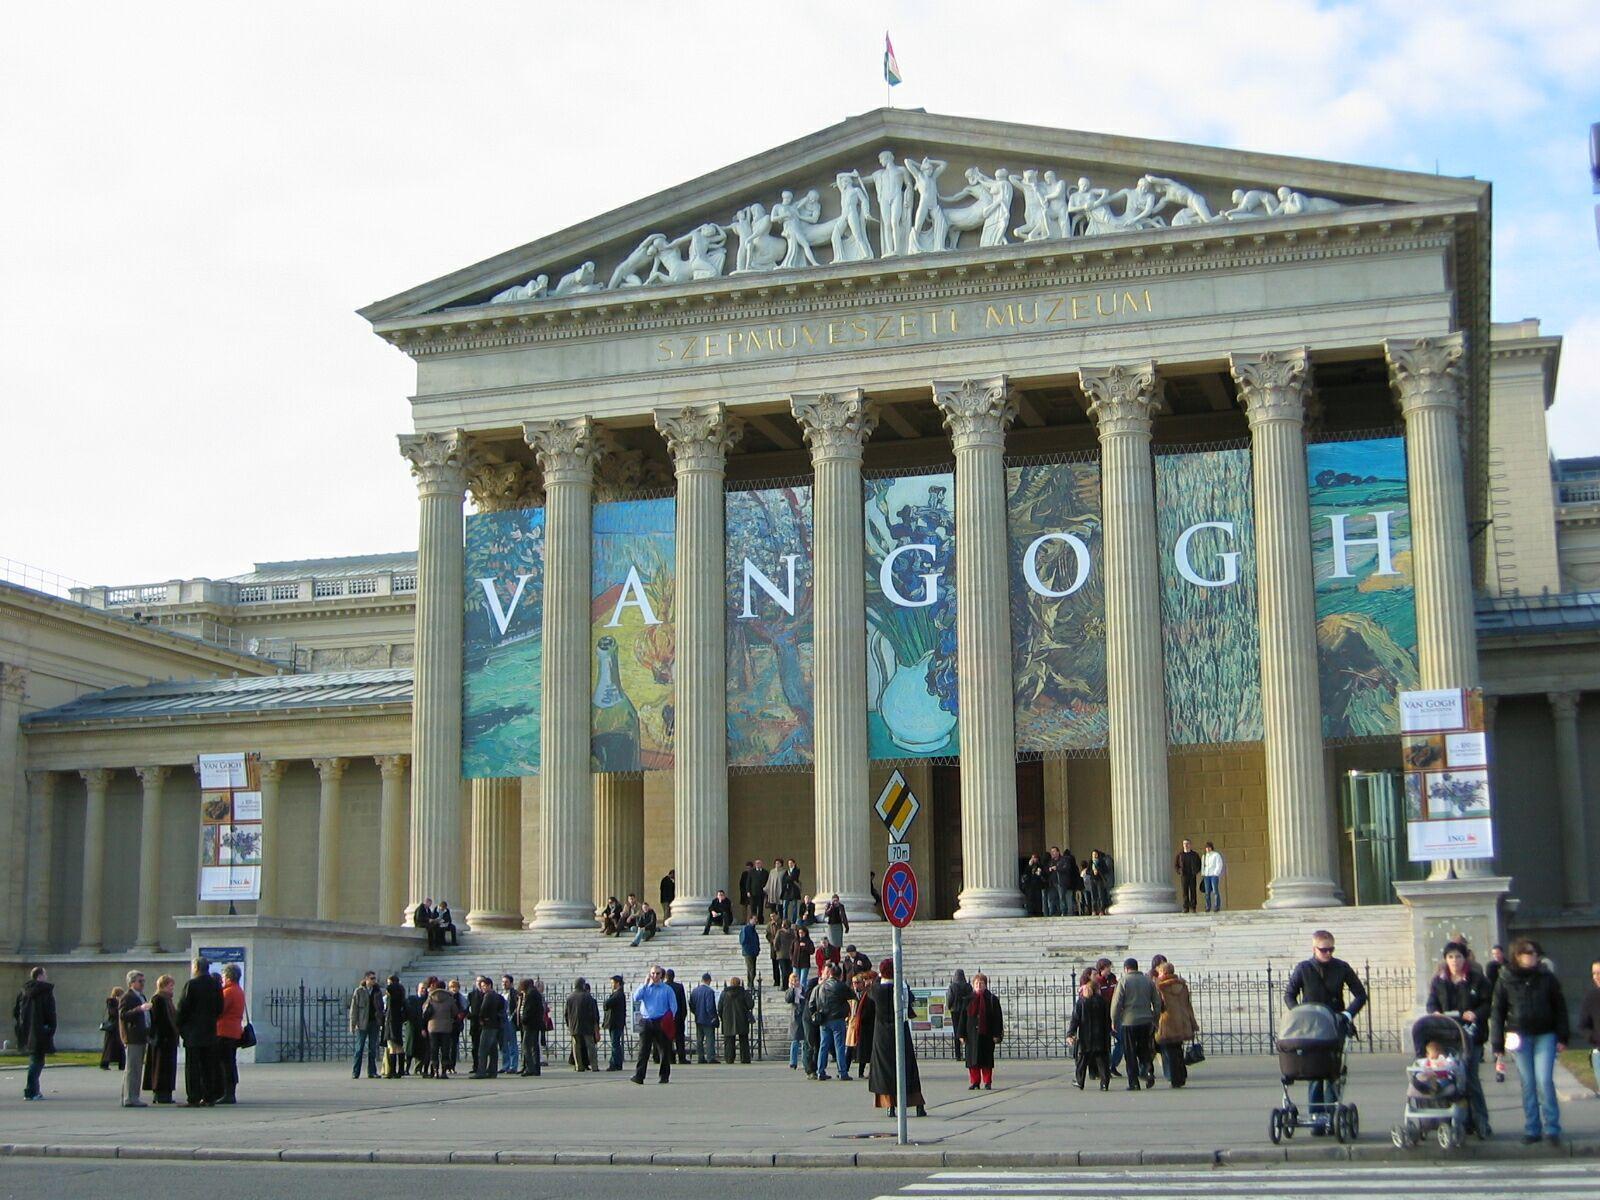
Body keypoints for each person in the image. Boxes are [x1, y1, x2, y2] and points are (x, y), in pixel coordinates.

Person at [1491, 938, 1570, 1146]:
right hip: (1519, 1035)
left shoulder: (1546, 977)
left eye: (1535, 953)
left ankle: (1552, 1127)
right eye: (1528, 953)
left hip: (1545, 1033)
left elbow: (1559, 1007)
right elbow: (1497, 1011)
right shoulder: (1505, 978)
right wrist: (1497, 1043)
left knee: (1544, 1080)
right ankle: (1532, 1128)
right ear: (1517, 956)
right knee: (1528, 1082)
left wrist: (1563, 1036)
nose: (1533, 956)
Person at [1284, 930, 1368, 1122]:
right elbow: (1289, 995)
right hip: (1311, 1026)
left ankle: (1332, 1116)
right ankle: (1316, 1116)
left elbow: (1361, 995)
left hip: (1335, 1022)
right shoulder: (1303, 968)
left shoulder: (1341, 967)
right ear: (1314, 949)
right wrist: (1300, 1013)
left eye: (1331, 949)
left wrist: (1347, 1015)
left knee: (1333, 1071)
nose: (1328, 953)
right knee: (1314, 1071)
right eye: (1324, 950)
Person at [1427, 940, 1493, 1137]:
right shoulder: (1439, 980)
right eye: (1450, 957)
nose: (1454, 961)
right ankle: (1452, 1119)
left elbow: (1488, 1004)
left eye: (1458, 956)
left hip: (1471, 1035)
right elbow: (1432, 1002)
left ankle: (1480, 1120)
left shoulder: (1477, 980)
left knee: (1470, 1079)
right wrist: (1435, 1012)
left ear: (1465, 959)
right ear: (1445, 959)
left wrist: (1475, 1013)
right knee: (1448, 1077)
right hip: (1447, 1035)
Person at [868, 959, 926, 1117]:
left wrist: (879, 976)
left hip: (882, 1035)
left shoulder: (877, 990)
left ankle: (890, 1105)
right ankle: (918, 1104)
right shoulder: (902, 988)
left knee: (885, 1070)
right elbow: (911, 999)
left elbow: (871, 990)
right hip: (901, 1030)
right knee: (908, 1069)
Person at [176, 957, 222, 1106]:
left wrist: (180, 1025)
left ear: (196, 967)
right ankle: (209, 1096)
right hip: (210, 1030)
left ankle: (194, 1097)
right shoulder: (215, 985)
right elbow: (220, 1007)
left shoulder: (192, 984)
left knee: (193, 1067)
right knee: (208, 1066)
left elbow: (183, 1007)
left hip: (193, 1032)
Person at [631, 964, 679, 1085]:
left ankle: (664, 1076)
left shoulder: (667, 989)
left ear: (661, 975)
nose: (655, 976)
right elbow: (636, 997)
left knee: (664, 1050)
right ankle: (639, 1076)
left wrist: (669, 1019)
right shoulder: (645, 988)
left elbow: (673, 1006)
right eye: (653, 973)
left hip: (661, 1021)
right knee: (643, 1050)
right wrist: (644, 984)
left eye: (658, 973)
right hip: (647, 1021)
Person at [13, 966, 55, 1101]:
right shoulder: (45, 991)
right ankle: (31, 1091)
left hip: (27, 1029)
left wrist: (22, 1025)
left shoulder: (23, 991)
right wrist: (50, 1027)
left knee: (36, 1059)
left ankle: (34, 1090)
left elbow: (16, 1011)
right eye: (45, 974)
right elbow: (50, 1012)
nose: (46, 977)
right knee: (37, 1061)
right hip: (40, 1029)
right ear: (40, 976)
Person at [1154, 961, 1198, 1088]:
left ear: (1164, 973)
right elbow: (1188, 1005)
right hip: (1182, 1020)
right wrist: (1192, 1022)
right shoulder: (1182, 985)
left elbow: (1159, 1005)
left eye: (1160, 972)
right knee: (1178, 1049)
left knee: (1169, 1051)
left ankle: (1175, 1078)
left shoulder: (1160, 987)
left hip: (1167, 1021)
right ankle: (1182, 1075)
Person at [1068, 968, 1112, 1090]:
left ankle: (1080, 1081)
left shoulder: (1081, 1002)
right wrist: (1108, 1031)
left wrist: (1070, 1033)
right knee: (1102, 1060)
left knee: (1082, 1060)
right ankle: (1104, 1083)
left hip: (1086, 1035)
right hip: (1100, 1035)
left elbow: (1075, 1019)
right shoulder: (1103, 1002)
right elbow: (1107, 1019)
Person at [116, 971, 152, 1107]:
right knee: (133, 1069)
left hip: (141, 1035)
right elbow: (123, 1015)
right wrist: (139, 1009)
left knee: (136, 1068)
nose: (142, 984)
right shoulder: (127, 997)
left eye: (143, 981)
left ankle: (129, 1096)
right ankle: (130, 1098)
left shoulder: (141, 996)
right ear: (131, 983)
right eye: (140, 981)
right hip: (132, 1037)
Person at [811, 964, 851, 1081]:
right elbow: (852, 995)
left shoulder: (820, 987)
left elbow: (811, 1003)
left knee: (823, 1045)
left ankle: (820, 1071)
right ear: (840, 975)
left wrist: (816, 1013)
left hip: (824, 1019)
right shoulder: (840, 986)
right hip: (837, 1018)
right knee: (839, 1046)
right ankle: (842, 1072)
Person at [964, 973, 1004, 1090]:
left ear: (985, 985)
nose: (979, 985)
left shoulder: (992, 999)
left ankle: (987, 1082)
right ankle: (975, 1082)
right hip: (971, 1035)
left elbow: (998, 1018)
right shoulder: (968, 999)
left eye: (981, 983)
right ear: (973, 985)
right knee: (972, 1061)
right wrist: (961, 1034)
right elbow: (963, 1018)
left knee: (986, 1060)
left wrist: (996, 1034)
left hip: (987, 1034)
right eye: (976, 983)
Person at [144, 973, 179, 1104]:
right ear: (163, 986)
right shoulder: (158, 999)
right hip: (161, 1039)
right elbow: (159, 1020)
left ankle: (166, 1093)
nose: (172, 988)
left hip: (168, 1038)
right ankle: (160, 1093)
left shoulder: (167, 999)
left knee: (168, 1067)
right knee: (161, 1067)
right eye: (170, 985)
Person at [215, 963, 245, 1104]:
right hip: (234, 1030)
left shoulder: (228, 992)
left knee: (225, 1063)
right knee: (230, 1062)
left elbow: (220, 1010)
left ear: (228, 977)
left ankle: (228, 1093)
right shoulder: (239, 990)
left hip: (224, 1030)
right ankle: (230, 1091)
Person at [350, 970, 382, 1079]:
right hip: (362, 1023)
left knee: (372, 1049)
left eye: (374, 978)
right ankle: (355, 1072)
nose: (374, 981)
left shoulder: (377, 991)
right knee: (359, 1049)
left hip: (374, 1023)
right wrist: (353, 1024)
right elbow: (354, 1009)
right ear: (366, 979)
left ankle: (372, 1071)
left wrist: (380, 1020)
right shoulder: (359, 991)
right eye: (372, 978)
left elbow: (380, 1007)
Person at [471, 977, 505, 1078]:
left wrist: (481, 1018)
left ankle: (481, 1071)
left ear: (489, 985)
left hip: (487, 1025)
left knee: (483, 1049)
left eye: (484, 986)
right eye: (481, 986)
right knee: (493, 1049)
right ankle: (492, 1071)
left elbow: (483, 1009)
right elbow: (502, 1008)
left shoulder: (488, 996)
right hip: (495, 1024)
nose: (482, 988)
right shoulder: (498, 996)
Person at [565, 977, 600, 1073]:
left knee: (576, 1046)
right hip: (587, 1025)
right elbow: (593, 1013)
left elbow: (566, 1014)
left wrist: (569, 1025)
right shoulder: (588, 996)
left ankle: (578, 1066)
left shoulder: (570, 997)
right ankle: (594, 1065)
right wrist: (595, 1025)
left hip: (574, 1025)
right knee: (590, 1046)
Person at [847, 969, 876, 1079]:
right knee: (862, 1050)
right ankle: (859, 1071)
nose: (865, 982)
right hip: (863, 1025)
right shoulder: (865, 992)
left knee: (868, 1051)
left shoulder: (870, 992)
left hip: (869, 1024)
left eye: (866, 979)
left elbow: (869, 1008)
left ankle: (868, 1071)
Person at [718, 976, 754, 1064]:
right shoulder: (744, 993)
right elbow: (750, 1005)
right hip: (742, 1018)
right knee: (744, 1039)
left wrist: (722, 1017)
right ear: (739, 983)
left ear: (730, 983)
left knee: (729, 1040)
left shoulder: (724, 993)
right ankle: (745, 1058)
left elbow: (720, 1008)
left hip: (728, 1019)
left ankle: (729, 1058)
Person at [424, 983, 455, 1077]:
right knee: (445, 1050)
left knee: (434, 1049)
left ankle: (435, 1071)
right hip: (446, 1028)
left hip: (433, 1027)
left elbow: (424, 1011)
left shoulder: (430, 998)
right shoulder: (449, 999)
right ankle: (444, 1072)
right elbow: (455, 1012)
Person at [1579, 960, 1600, 1098]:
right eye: (1594, 973)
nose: (1596, 977)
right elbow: (1583, 1025)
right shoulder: (1591, 998)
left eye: (1599, 973)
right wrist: (1594, 1038)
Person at [516, 978, 545, 1075]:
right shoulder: (533, 993)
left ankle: (530, 1068)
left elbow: (529, 1010)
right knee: (534, 1046)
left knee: (526, 1046)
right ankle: (535, 1068)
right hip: (534, 1024)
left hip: (530, 1024)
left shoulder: (531, 994)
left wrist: (523, 1019)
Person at [690, 973, 720, 1063]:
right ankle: (710, 1057)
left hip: (698, 1017)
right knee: (709, 1039)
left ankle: (701, 1057)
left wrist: (696, 1013)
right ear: (709, 980)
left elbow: (691, 1004)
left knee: (699, 1039)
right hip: (707, 1019)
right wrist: (713, 1017)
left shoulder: (695, 991)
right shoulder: (709, 991)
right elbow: (709, 1006)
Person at [383, 975, 409, 1078]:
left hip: (391, 1021)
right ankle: (400, 1069)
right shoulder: (401, 994)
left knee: (392, 1046)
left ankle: (392, 1070)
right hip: (397, 1021)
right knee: (398, 1045)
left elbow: (389, 988)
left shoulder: (392, 994)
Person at [946, 969, 973, 1061]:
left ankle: (958, 1055)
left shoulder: (952, 986)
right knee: (966, 1032)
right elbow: (971, 998)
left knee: (957, 1032)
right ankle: (968, 1054)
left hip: (955, 1011)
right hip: (966, 1011)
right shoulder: (968, 986)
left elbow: (950, 998)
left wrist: (949, 1006)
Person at [665, 968, 690, 1064]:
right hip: (678, 1017)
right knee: (680, 1039)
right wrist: (683, 1016)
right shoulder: (679, 987)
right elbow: (683, 1003)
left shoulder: (663, 987)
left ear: (666, 977)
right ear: (673, 977)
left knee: (668, 1039)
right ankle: (681, 1058)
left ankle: (670, 1058)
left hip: (667, 1017)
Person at [603, 975, 628, 1071]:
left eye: (613, 983)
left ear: (617, 983)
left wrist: (606, 1004)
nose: (612, 985)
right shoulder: (619, 994)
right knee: (616, 1043)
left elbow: (607, 1004)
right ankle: (617, 1063)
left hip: (615, 1023)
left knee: (615, 1044)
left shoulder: (618, 994)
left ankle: (614, 1063)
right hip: (617, 1022)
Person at [99, 986, 127, 1071]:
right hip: (112, 1028)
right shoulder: (111, 1001)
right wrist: (119, 1005)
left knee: (121, 1046)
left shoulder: (121, 1002)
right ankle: (105, 1063)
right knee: (109, 1046)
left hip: (119, 1027)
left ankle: (122, 1064)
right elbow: (113, 1013)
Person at [784, 972, 806, 1071]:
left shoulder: (803, 988)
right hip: (795, 1018)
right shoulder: (790, 990)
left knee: (805, 1041)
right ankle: (793, 1062)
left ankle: (805, 1061)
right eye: (794, 980)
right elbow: (788, 999)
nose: (796, 982)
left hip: (804, 1015)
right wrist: (792, 988)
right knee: (795, 1040)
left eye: (797, 980)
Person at [498, 974, 520, 1074]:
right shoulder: (501, 994)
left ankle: (513, 1066)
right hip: (502, 1020)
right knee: (503, 1044)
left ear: (511, 983)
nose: (504, 984)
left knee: (512, 1043)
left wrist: (513, 1016)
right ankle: (505, 1065)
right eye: (503, 982)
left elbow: (517, 1007)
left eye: (506, 982)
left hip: (510, 1020)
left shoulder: (514, 994)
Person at [1174, 839, 1202, 914]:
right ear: (1183, 845)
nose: (1186, 845)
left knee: (1193, 891)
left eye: (1187, 843)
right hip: (1184, 876)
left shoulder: (1195, 854)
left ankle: (1193, 907)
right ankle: (1185, 907)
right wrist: (1179, 871)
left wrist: (1196, 871)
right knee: (1184, 892)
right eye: (1184, 844)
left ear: (1190, 845)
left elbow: (1199, 864)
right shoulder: (1180, 855)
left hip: (1192, 875)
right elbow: (1176, 865)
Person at [739, 914, 762, 989]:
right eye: (754, 919)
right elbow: (743, 940)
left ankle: (751, 983)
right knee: (751, 969)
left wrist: (757, 949)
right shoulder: (746, 929)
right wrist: (747, 949)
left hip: (753, 952)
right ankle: (750, 984)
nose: (756, 921)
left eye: (756, 919)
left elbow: (756, 940)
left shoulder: (753, 930)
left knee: (753, 969)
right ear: (750, 919)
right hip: (748, 952)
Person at [1200, 841, 1225, 912]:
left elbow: (1219, 864)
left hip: (1214, 875)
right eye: (1206, 847)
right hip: (1206, 876)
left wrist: (1216, 873)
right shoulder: (1204, 856)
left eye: (1209, 847)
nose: (1207, 849)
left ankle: (1217, 906)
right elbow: (1203, 866)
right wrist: (1203, 873)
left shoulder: (1216, 855)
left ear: (1211, 847)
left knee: (1215, 891)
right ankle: (1207, 907)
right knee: (1207, 892)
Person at [792, 924, 816, 989]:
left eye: (802, 933)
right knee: (795, 981)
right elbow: (791, 950)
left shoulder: (809, 941)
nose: (801, 934)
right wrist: (792, 958)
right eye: (799, 933)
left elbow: (812, 951)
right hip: (796, 963)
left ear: (805, 933)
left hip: (804, 964)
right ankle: (796, 993)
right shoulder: (795, 940)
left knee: (802, 981)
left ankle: (803, 993)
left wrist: (805, 946)